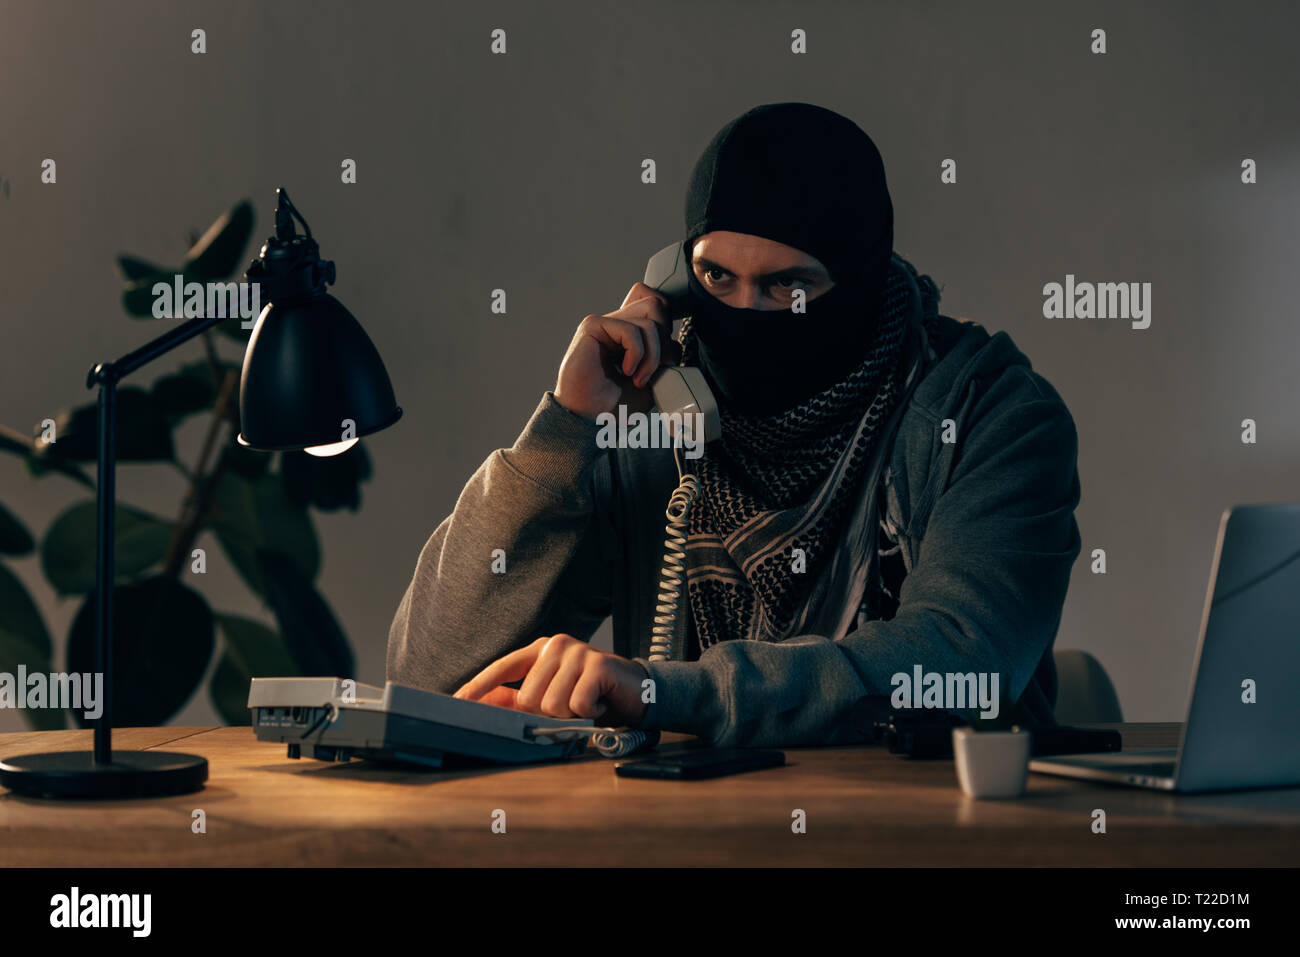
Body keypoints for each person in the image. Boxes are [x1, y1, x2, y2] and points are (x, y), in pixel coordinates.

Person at [386, 102, 1082, 748]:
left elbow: (961, 666)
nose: (746, 313)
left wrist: (664, 691)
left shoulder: (989, 414)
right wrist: (564, 432)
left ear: (863, 283)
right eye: (716, 278)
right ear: (676, 278)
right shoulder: (650, 413)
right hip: (696, 837)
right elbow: (428, 675)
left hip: (925, 836)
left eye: (790, 286)